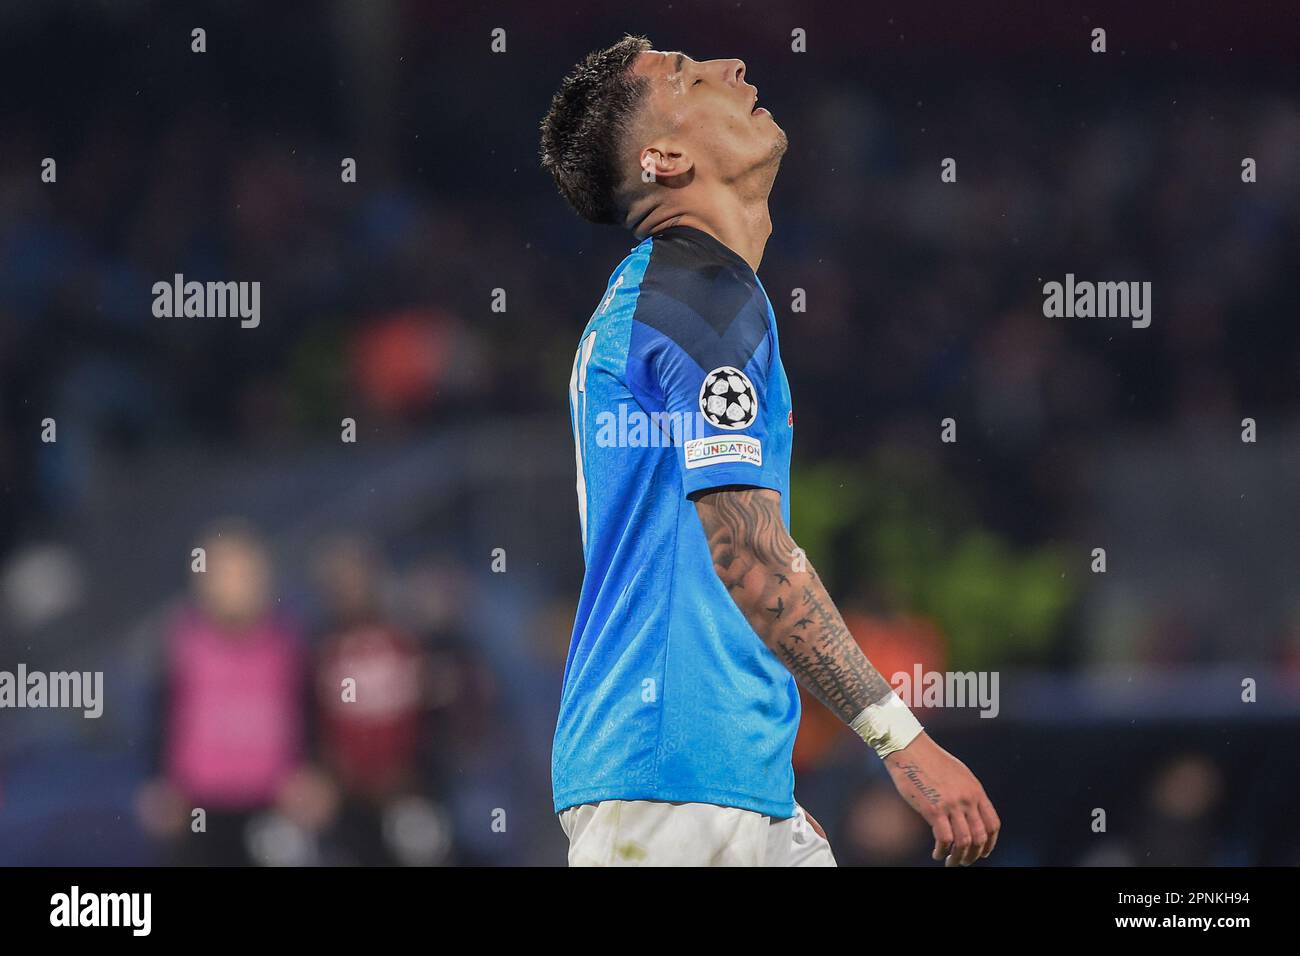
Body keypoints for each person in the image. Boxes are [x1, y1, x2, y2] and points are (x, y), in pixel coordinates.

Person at [540, 36, 1000, 866]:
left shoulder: (671, 296)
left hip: (707, 783)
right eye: (688, 76)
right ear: (665, 157)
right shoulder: (696, 297)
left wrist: (760, 795)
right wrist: (903, 742)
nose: (733, 70)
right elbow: (748, 555)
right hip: (671, 788)